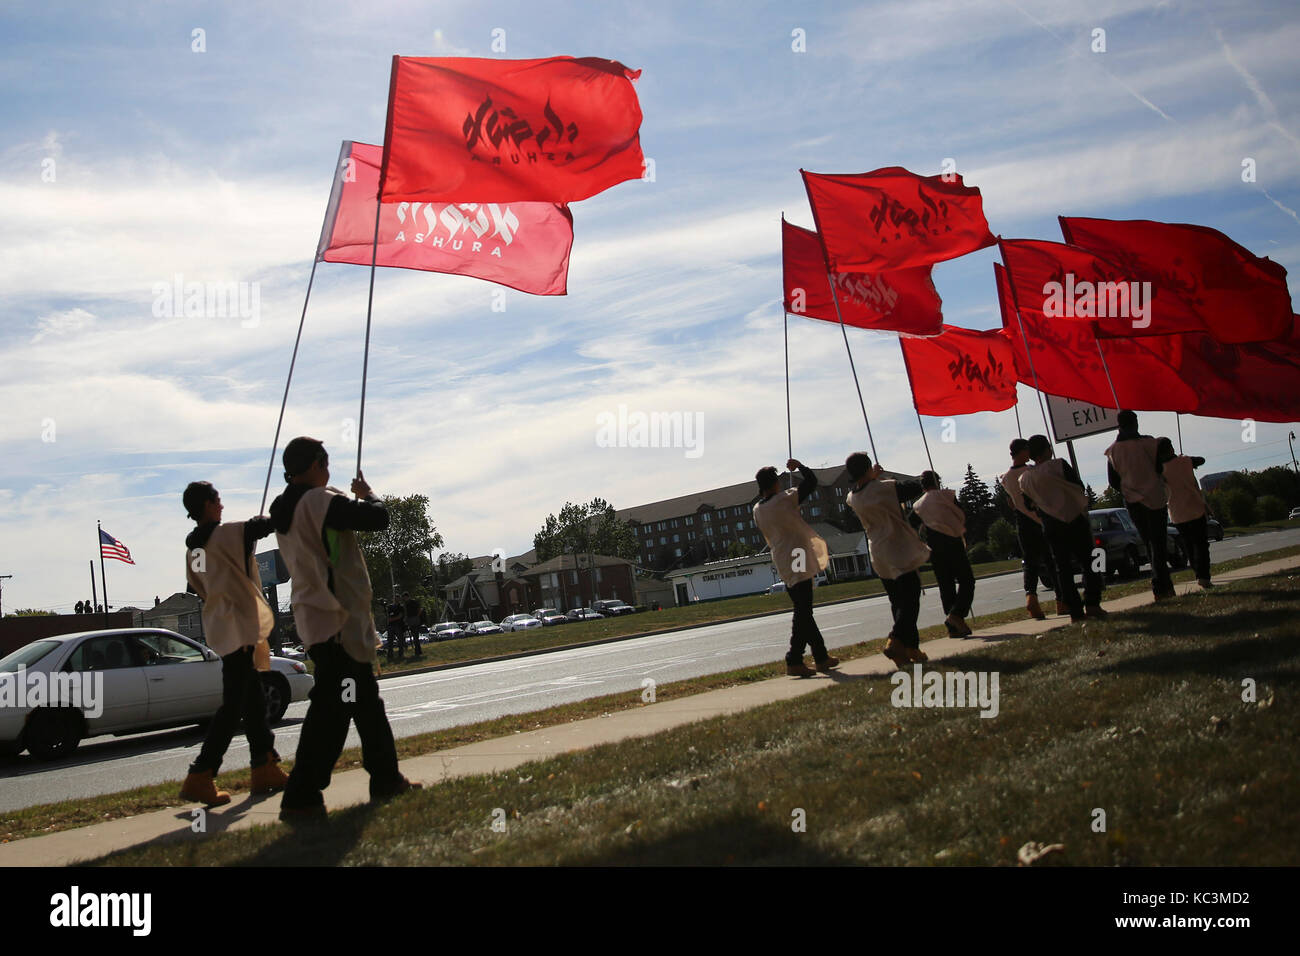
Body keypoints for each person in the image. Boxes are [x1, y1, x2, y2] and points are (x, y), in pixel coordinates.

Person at [269, 437, 419, 821]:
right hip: (338, 623)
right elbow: (377, 519)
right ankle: (301, 796)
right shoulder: (320, 502)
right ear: (316, 465)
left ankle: (384, 778)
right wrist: (369, 495)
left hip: (317, 620)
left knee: (362, 704)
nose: (329, 469)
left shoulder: (284, 507)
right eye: (326, 462)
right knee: (331, 715)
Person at [178, 481, 288, 806]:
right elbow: (266, 526)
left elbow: (197, 585)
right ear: (209, 505)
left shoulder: (194, 551)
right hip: (239, 627)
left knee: (251, 699)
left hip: (221, 629)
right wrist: (284, 502)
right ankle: (202, 773)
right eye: (219, 500)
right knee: (233, 705)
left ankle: (263, 766)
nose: (222, 506)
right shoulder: (228, 534)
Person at [752, 459, 838, 677]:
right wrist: (800, 466)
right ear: (774, 484)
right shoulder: (784, 499)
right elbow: (811, 482)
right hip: (797, 555)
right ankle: (794, 658)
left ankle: (820, 656)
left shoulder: (758, 510)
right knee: (803, 610)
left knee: (803, 608)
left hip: (781, 558)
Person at [845, 452, 930, 667]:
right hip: (897, 548)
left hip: (878, 552)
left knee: (897, 601)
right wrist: (880, 478)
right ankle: (896, 639)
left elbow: (872, 491)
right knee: (910, 599)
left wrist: (873, 478)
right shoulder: (883, 488)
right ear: (867, 468)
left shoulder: (852, 497)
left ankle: (909, 648)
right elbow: (914, 486)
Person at [1019, 435, 1107, 623]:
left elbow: (1028, 503)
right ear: (1046, 449)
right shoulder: (1058, 464)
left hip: (1051, 524)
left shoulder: (1025, 478)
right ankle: (1092, 601)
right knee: (1089, 561)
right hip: (1073, 517)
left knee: (1063, 568)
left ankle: (1075, 610)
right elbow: (1078, 485)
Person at [1105, 410, 1175, 600]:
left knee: (1148, 541)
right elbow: (1159, 468)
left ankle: (1161, 585)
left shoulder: (1113, 451)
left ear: (1119, 425)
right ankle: (1163, 585)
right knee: (1159, 542)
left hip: (1133, 501)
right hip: (1155, 496)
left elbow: (1113, 480)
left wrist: (1128, 488)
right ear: (1135, 423)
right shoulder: (1149, 443)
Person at [1001, 438, 1063, 620]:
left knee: (1030, 562)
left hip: (1022, 522)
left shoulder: (1005, 478)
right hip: (1040, 519)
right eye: (1027, 449)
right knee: (1052, 561)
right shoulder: (1031, 471)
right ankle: (1061, 599)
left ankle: (1031, 596)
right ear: (1022, 451)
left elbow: (1012, 502)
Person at [912, 471, 975, 637]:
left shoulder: (918, 505)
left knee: (945, 584)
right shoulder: (946, 496)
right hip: (952, 541)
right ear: (937, 482)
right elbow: (960, 514)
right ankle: (956, 615)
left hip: (934, 545)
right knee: (967, 580)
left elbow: (910, 523)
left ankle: (953, 625)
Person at [1157, 437, 1212, 588]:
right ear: (1171, 448)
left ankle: (1197, 571)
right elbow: (1201, 460)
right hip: (1195, 508)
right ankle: (1204, 576)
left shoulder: (1159, 470)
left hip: (1176, 513)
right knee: (1201, 544)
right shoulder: (1186, 461)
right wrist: (1184, 459)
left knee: (1188, 545)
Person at [403, 591, 423, 658]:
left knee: (415, 636)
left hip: (415, 619)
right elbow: (406, 613)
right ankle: (418, 650)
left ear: (408, 597)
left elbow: (420, 609)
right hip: (410, 620)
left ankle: (417, 651)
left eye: (406, 597)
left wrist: (417, 616)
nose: (405, 599)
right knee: (414, 636)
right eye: (404, 598)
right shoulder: (405, 604)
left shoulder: (414, 602)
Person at [386, 596, 405, 662]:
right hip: (391, 626)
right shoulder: (390, 607)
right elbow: (389, 617)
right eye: (395, 599)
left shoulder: (401, 607)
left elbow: (401, 616)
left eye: (398, 598)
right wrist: (396, 617)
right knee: (390, 641)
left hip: (399, 626)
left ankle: (401, 654)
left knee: (400, 640)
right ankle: (390, 655)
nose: (396, 600)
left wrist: (393, 618)